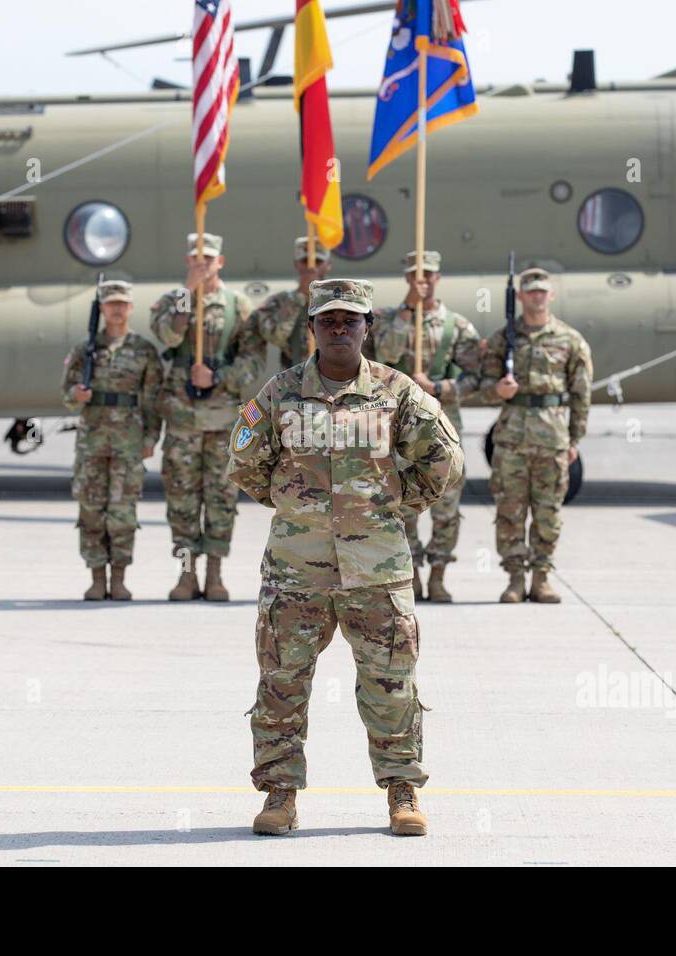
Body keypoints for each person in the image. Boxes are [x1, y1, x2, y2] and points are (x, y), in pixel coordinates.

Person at [227, 278, 464, 837]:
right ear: (311, 328)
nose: (339, 328)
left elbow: (444, 457)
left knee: (391, 683)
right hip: (296, 570)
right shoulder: (280, 392)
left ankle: (402, 791)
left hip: (376, 569)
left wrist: (398, 506)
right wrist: (290, 506)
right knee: (282, 681)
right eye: (328, 320)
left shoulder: (396, 391)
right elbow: (244, 461)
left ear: (366, 328)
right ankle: (279, 796)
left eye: (350, 320)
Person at [150, 232, 264, 602]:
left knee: (220, 500)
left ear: (221, 262)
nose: (203, 263)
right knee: (182, 501)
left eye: (209, 258)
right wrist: (188, 292)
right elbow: (167, 336)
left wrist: (218, 377)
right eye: (196, 258)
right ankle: (186, 575)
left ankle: (215, 573)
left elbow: (253, 361)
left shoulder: (239, 306)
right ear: (188, 262)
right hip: (183, 420)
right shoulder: (172, 302)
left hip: (221, 422)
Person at [367, 250, 482, 602]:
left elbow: (477, 376)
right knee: (402, 503)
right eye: (416, 274)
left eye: (429, 274)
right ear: (406, 279)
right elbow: (377, 355)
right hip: (398, 427)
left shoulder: (457, 326)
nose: (423, 280)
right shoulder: (387, 321)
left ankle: (439, 574)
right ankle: (412, 572)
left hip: (441, 428)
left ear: (438, 277)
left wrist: (440, 388)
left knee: (447, 505)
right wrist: (406, 312)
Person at [478, 268, 592, 603]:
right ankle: (515, 579)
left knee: (547, 512)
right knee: (510, 511)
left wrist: (574, 440)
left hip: (552, 438)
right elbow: (482, 387)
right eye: (531, 291)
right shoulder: (503, 339)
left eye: (543, 291)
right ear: (521, 296)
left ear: (551, 296)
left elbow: (581, 393)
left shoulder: (570, 340)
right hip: (511, 438)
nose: (537, 296)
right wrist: (498, 389)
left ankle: (541, 578)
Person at [62, 280, 164, 601]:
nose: (117, 309)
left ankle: (119, 578)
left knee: (122, 511)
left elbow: (152, 399)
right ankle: (96, 577)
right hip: (92, 439)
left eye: (122, 303)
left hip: (128, 440)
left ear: (131, 307)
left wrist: (150, 437)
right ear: (102, 308)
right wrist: (76, 395)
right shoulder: (84, 349)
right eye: (111, 303)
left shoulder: (143, 350)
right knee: (91, 509)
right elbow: (67, 396)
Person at [253, 236, 332, 369]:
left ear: (328, 264)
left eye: (317, 261)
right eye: (305, 261)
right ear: (296, 264)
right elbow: (275, 337)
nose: (311, 267)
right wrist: (299, 297)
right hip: (295, 382)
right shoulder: (278, 302)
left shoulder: (342, 301)